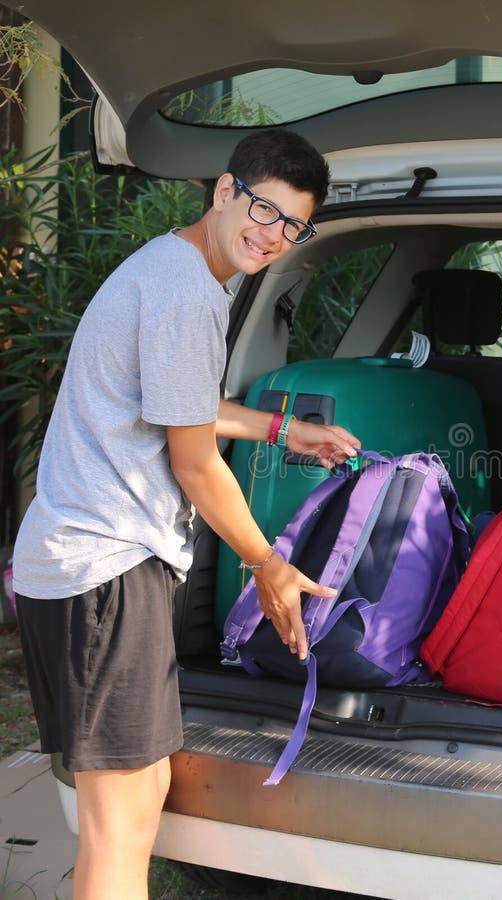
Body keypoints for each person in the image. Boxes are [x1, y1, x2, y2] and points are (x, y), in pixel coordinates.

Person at [12, 128, 360, 900]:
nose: (272, 236)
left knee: (135, 799)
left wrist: (281, 429)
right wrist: (267, 564)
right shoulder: (186, 294)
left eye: (292, 226)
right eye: (264, 210)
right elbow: (194, 461)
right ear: (225, 190)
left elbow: (176, 406)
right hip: (103, 568)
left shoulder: (173, 269)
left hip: (83, 563)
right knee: (121, 823)